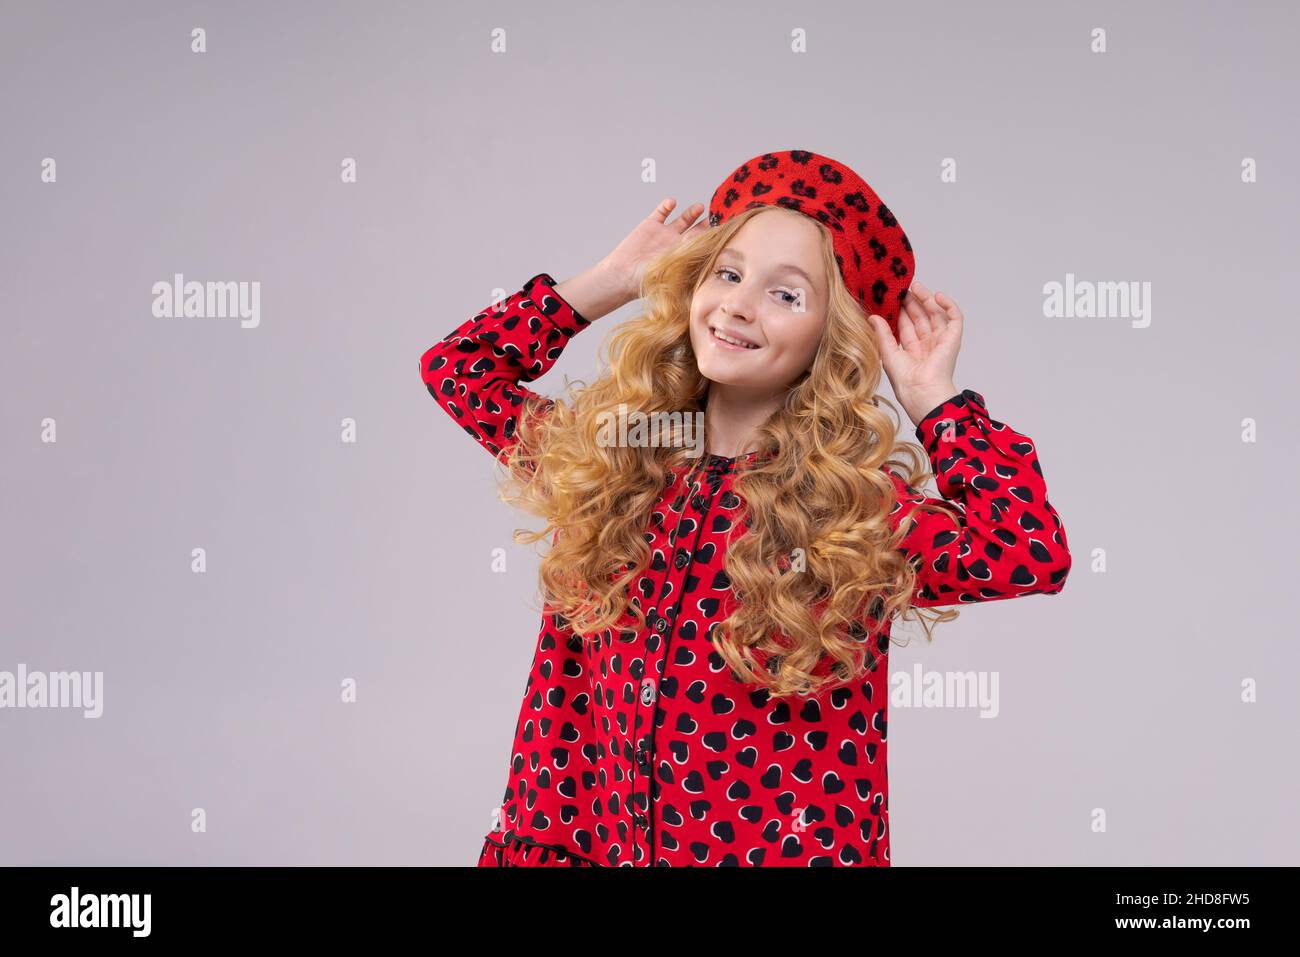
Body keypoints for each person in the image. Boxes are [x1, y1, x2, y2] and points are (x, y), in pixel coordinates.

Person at [420, 149, 1072, 867]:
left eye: (786, 295)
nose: (738, 303)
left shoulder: (850, 507)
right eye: (726, 273)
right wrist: (612, 281)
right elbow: (460, 366)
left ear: (830, 340)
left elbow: (1029, 549)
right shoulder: (632, 448)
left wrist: (936, 405)